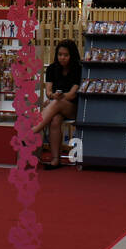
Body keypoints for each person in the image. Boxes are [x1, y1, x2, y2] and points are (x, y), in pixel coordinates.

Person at [33, 39, 81, 169]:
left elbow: (72, 94)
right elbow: (48, 92)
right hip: (56, 106)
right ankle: (55, 160)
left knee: (57, 102)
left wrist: (58, 97)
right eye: (60, 54)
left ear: (72, 55)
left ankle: (33, 131)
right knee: (54, 120)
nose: (62, 58)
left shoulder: (78, 68)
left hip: (73, 107)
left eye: (66, 55)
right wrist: (53, 96)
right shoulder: (52, 69)